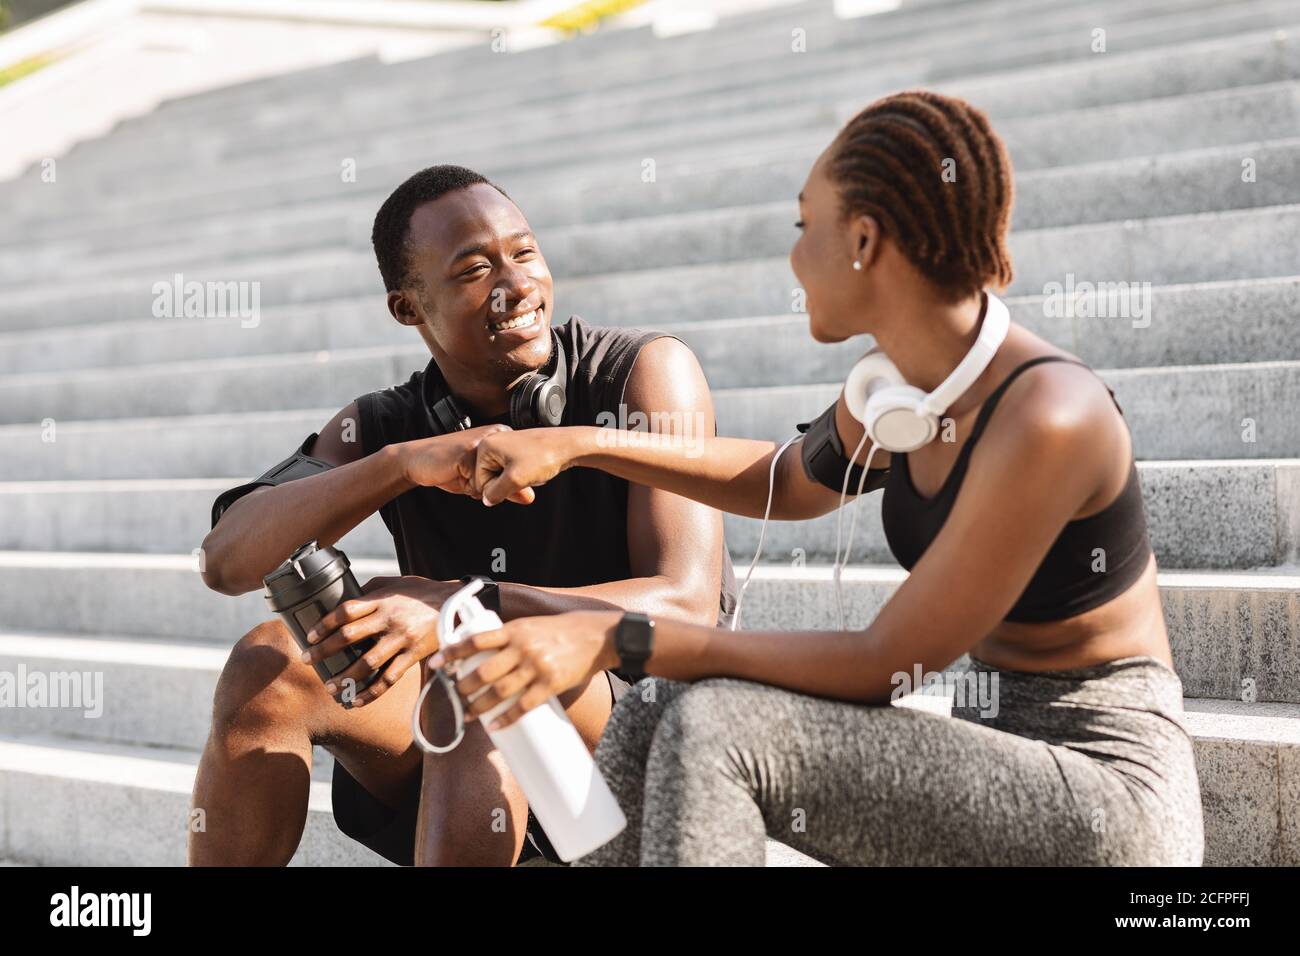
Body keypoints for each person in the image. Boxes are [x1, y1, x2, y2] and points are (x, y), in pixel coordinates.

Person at [436, 91, 1205, 866]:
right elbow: (780, 480)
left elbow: (882, 664)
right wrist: (577, 444)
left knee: (717, 728)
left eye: (806, 228)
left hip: (1111, 799)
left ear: (864, 239)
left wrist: (617, 634)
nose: (795, 257)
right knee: (657, 709)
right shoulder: (901, 388)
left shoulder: (1048, 417)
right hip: (1004, 757)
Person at [190, 164, 733, 867]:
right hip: (464, 740)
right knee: (266, 664)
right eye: (475, 269)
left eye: (526, 252)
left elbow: (688, 607)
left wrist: (462, 611)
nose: (517, 286)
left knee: (480, 673)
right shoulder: (386, 428)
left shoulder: (644, 373)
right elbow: (224, 562)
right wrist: (396, 466)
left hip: (639, 732)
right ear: (409, 308)